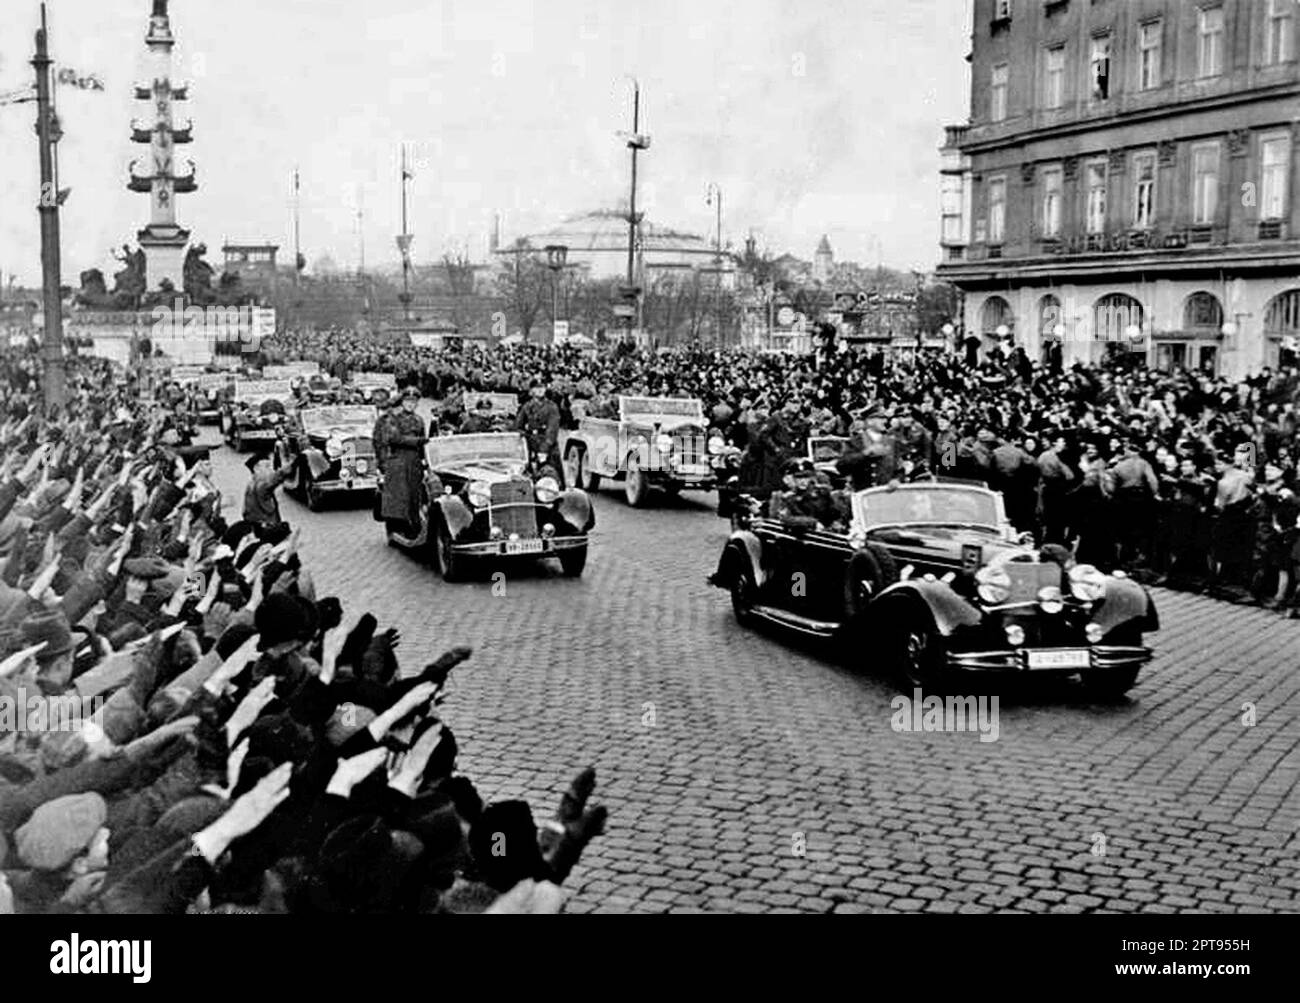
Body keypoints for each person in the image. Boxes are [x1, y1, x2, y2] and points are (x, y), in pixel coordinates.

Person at [379, 387, 427, 537]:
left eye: (413, 402)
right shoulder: (393, 418)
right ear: (402, 402)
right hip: (398, 460)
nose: (410, 405)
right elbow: (393, 438)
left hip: (414, 461)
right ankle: (395, 527)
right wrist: (416, 441)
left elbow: (423, 441)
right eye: (407, 401)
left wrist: (425, 459)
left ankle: (414, 526)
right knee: (399, 495)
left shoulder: (419, 420)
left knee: (415, 495)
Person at [516, 380, 561, 476]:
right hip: (531, 442)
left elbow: (552, 429)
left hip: (546, 443)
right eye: (537, 388)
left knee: (550, 475)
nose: (540, 390)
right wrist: (523, 439)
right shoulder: (527, 406)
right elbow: (518, 425)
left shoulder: (551, 407)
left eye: (542, 388)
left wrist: (544, 448)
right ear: (532, 390)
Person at [242, 453, 291, 532]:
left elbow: (245, 513)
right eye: (267, 466)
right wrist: (291, 466)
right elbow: (274, 479)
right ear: (256, 468)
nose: (271, 470)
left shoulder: (251, 483)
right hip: (267, 529)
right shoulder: (261, 484)